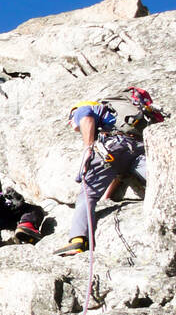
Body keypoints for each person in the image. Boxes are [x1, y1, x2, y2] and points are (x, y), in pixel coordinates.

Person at [56, 87, 168, 257]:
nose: (72, 125)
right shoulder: (115, 115)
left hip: (113, 147)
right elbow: (116, 173)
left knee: (87, 194)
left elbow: (85, 117)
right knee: (161, 181)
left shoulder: (82, 109)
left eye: (70, 122)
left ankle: (77, 239)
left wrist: (88, 148)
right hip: (138, 148)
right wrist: (108, 197)